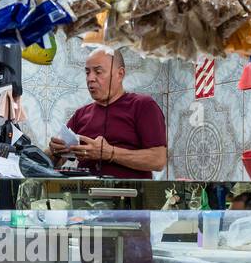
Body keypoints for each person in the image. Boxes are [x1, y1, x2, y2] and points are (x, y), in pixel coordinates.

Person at [49, 49, 168, 178]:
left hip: (131, 195)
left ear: (120, 74)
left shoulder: (143, 105)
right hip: (86, 195)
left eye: (98, 72)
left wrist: (109, 153)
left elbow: (158, 160)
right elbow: (59, 160)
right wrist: (55, 152)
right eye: (87, 72)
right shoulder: (81, 114)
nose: (90, 79)